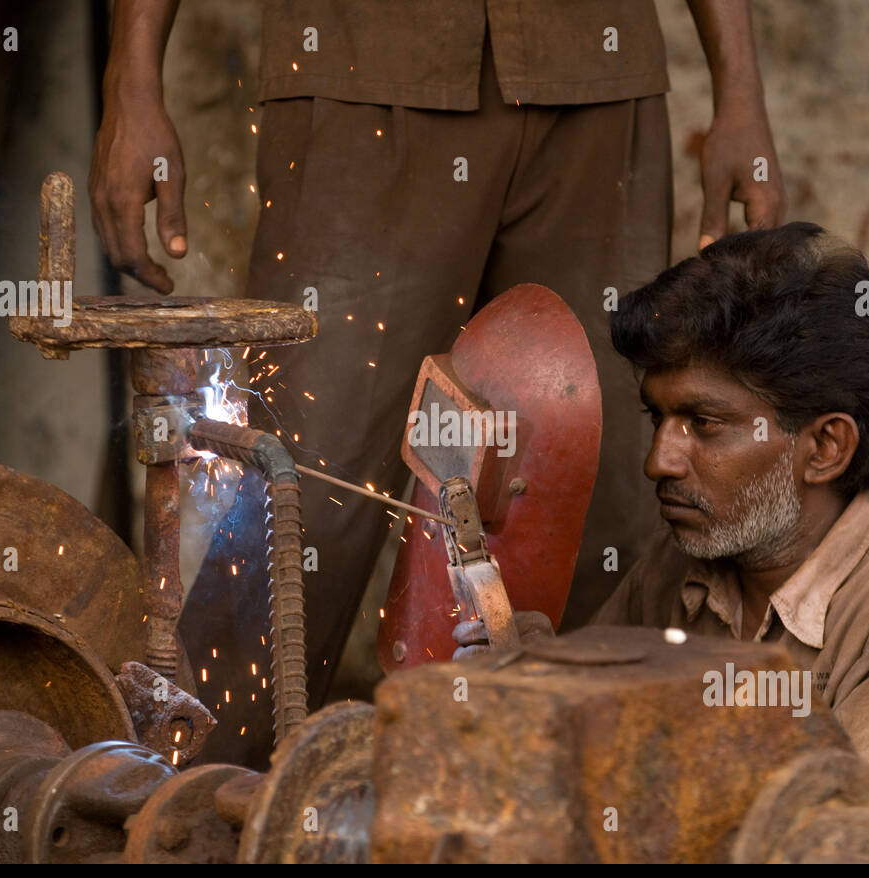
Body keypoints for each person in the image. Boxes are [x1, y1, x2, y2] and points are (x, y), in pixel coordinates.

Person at [90, 1, 786, 731]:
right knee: (297, 499)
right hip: (363, 77)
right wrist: (131, 84)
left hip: (595, 82)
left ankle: (577, 805)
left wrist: (739, 92)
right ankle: (188, 801)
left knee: (603, 502)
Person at [454, 223, 869, 802]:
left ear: (826, 447)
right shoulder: (677, 567)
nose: (660, 461)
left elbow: (848, 848)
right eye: (658, 419)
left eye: (703, 424)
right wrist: (543, 683)